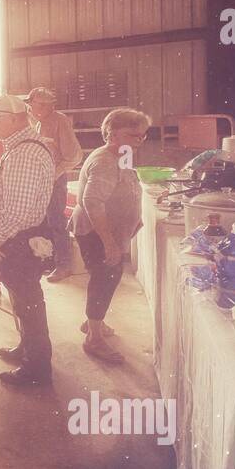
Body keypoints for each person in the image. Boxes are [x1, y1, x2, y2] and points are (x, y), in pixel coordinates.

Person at [0, 95, 55, 388]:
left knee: (29, 302)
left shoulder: (24, 153)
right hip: (19, 238)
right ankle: (27, 349)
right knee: (23, 301)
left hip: (18, 239)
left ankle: (37, 368)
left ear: (15, 118)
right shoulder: (18, 148)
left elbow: (19, 211)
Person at [70, 108, 150, 365]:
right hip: (97, 233)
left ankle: (94, 321)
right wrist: (109, 243)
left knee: (108, 280)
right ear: (112, 134)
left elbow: (126, 187)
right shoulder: (105, 160)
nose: (139, 140)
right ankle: (93, 338)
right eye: (133, 135)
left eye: (143, 136)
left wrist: (134, 218)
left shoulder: (122, 155)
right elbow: (92, 202)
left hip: (112, 233)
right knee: (103, 281)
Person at [26, 87, 84, 283]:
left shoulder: (59, 120)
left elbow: (74, 156)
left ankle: (64, 265)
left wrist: (54, 174)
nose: (38, 107)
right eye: (36, 104)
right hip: (41, 178)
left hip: (54, 179)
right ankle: (50, 261)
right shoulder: (38, 123)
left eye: (44, 104)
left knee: (56, 222)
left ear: (52, 105)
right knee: (43, 222)